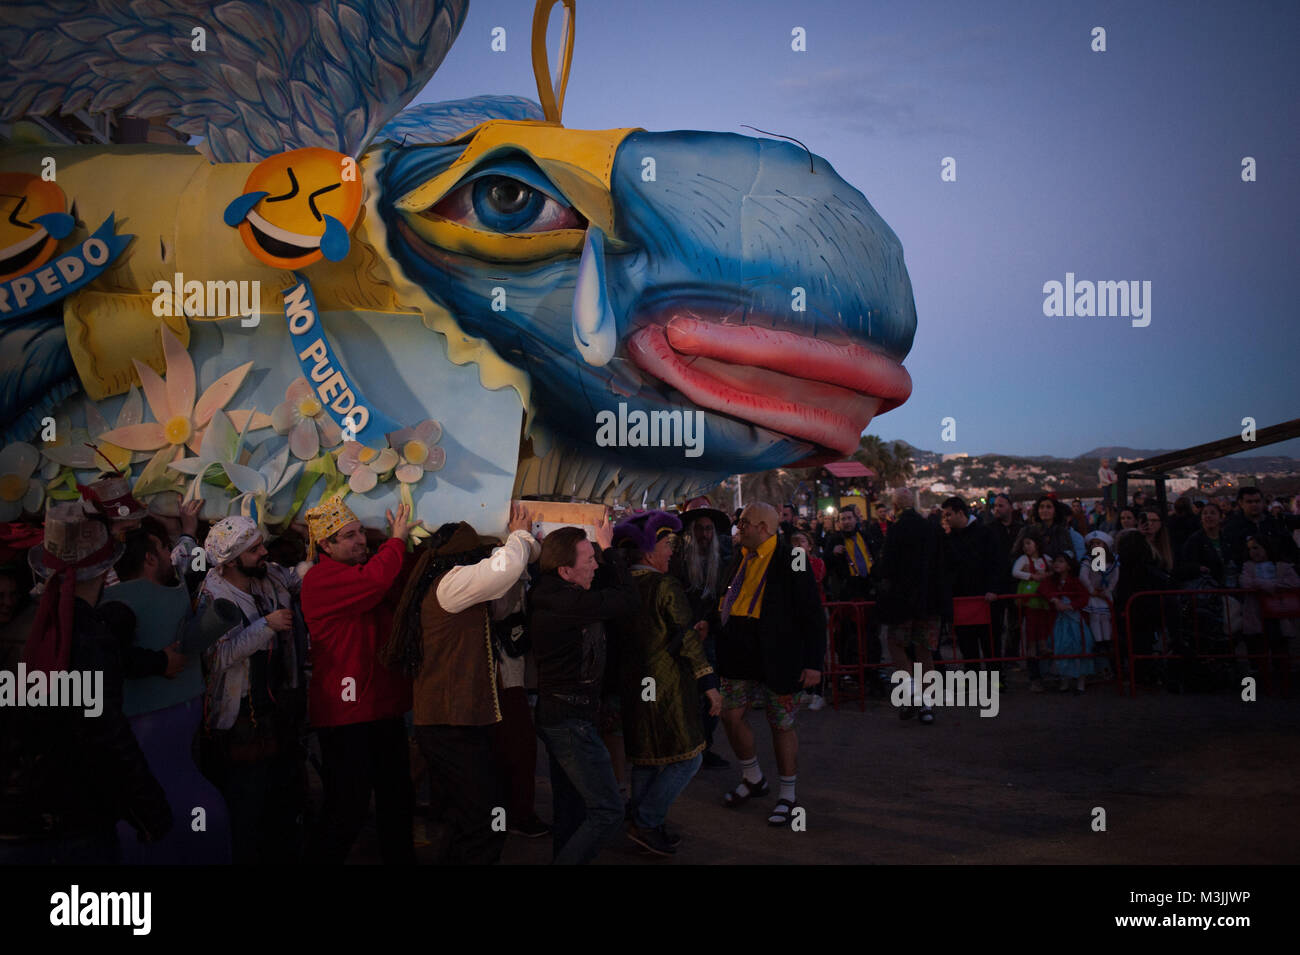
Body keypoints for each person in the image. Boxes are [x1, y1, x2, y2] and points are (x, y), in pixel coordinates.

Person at [0, 503, 171, 863]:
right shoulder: (89, 636)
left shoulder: (13, 629)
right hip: (72, 825)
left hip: (12, 822)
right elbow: (106, 734)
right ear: (106, 568)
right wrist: (150, 812)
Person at [383, 504, 542, 864]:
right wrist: (518, 533)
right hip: (449, 725)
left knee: (468, 818)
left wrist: (525, 542)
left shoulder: (447, 586)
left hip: (456, 723)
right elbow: (507, 567)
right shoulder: (450, 584)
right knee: (485, 820)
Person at [104, 517, 234, 864]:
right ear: (149, 558)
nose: (169, 555)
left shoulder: (108, 601)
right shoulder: (133, 603)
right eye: (163, 548)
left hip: (161, 750)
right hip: (159, 748)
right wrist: (160, 663)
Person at [301, 498, 421, 865]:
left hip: (380, 706)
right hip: (346, 714)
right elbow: (374, 582)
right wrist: (397, 539)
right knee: (347, 806)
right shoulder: (321, 580)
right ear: (325, 546)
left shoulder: (359, 571)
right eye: (348, 536)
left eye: (360, 534)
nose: (359, 542)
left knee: (397, 799)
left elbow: (392, 582)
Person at [528, 523, 641, 864]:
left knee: (571, 806)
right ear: (564, 570)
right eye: (589, 559)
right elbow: (629, 600)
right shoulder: (566, 603)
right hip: (569, 721)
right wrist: (610, 551)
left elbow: (605, 591)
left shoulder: (555, 591)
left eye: (595, 558)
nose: (595, 565)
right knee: (608, 810)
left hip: (563, 714)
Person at [197, 515, 305, 864]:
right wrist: (265, 627)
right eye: (254, 549)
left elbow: (295, 577)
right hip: (240, 714)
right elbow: (217, 657)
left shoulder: (264, 575)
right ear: (230, 562)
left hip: (275, 708)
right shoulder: (214, 598)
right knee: (246, 806)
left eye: (261, 545)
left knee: (280, 802)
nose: (264, 552)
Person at [612, 511, 720, 856]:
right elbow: (686, 639)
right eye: (665, 544)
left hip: (633, 685)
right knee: (688, 759)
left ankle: (642, 825)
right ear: (647, 552)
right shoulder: (663, 585)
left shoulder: (622, 583)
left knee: (648, 757)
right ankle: (647, 819)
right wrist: (710, 684)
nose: (671, 552)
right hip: (667, 686)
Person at [715, 503, 825, 825]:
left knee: (782, 723)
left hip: (779, 653)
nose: (739, 527)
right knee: (730, 715)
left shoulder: (793, 558)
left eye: (745, 522)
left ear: (764, 527)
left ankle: (788, 795)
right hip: (738, 648)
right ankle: (753, 778)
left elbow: (812, 615)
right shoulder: (740, 555)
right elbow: (731, 595)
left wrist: (813, 662)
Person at [671, 504, 734, 764]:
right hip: (682, 637)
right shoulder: (678, 561)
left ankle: (704, 748)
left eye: (709, 529)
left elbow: (723, 599)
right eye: (699, 529)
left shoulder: (723, 561)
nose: (705, 535)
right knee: (684, 694)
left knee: (711, 691)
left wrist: (709, 623)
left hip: (710, 637)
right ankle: (685, 747)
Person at [876, 487, 940, 720]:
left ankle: (911, 693)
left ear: (895, 507)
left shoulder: (896, 530)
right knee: (925, 652)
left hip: (902, 602)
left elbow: (887, 566)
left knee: (895, 645)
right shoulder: (930, 527)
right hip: (928, 601)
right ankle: (928, 706)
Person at [937, 496, 997, 680]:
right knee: (966, 642)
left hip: (984, 597)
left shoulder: (985, 533)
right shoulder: (949, 538)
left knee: (989, 642)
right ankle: (973, 678)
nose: (946, 518)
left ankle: (996, 678)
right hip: (961, 598)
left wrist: (993, 588)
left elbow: (995, 563)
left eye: (948, 514)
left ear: (960, 513)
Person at [1239, 537, 1299, 682]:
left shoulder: (1283, 567)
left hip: (1279, 614)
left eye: (1256, 547)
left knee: (1280, 646)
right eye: (1250, 549)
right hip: (1257, 614)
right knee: (1260, 647)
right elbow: (1245, 583)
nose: (1253, 552)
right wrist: (1274, 586)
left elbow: (1294, 582)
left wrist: (1261, 585)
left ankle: (1282, 678)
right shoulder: (1248, 566)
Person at [986, 493, 1024, 686]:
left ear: (1010, 506)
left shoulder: (1021, 528)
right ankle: (997, 664)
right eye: (995, 506)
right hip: (998, 585)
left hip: (1017, 583)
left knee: (1016, 624)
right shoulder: (989, 530)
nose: (997, 509)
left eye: (1001, 505)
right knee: (996, 626)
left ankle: (1011, 657)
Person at [1041, 553, 1093, 693]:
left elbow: (1084, 597)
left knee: (1079, 646)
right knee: (1061, 647)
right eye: (1055, 561)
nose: (1057, 564)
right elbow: (1043, 588)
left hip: (1075, 620)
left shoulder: (1075, 581)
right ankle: (1064, 680)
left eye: (1061, 561)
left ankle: (1080, 681)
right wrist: (1055, 600)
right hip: (1060, 621)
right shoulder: (1051, 581)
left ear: (1069, 566)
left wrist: (1070, 605)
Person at [790, 530, 828, 710]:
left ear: (810, 546)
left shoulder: (817, 563)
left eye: (802, 543)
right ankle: (804, 690)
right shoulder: (791, 564)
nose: (798, 546)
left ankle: (819, 693)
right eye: (794, 543)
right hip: (798, 614)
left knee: (817, 653)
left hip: (816, 612)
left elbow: (814, 579)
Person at [1012, 531, 1052, 691]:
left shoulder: (1046, 558)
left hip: (1043, 601)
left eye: (1029, 543)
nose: (1026, 547)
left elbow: (1054, 569)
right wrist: (1031, 576)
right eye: (1024, 544)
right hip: (1029, 602)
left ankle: (1042, 651)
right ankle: (1034, 663)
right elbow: (1015, 572)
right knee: (1030, 630)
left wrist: (1047, 575)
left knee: (1042, 627)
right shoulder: (1022, 559)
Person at [1223, 486, 1298, 568]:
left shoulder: (1274, 522)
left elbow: (1290, 547)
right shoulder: (1232, 527)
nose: (1254, 504)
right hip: (1247, 575)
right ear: (1241, 503)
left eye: (1257, 501)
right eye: (1249, 502)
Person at [1079, 531, 1118, 678]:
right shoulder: (1088, 560)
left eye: (1099, 543)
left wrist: (1108, 590)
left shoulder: (1112, 562)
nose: (1096, 546)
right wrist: (1091, 589)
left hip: (1105, 595)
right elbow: (1083, 576)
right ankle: (1099, 641)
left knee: (1105, 618)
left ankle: (1106, 640)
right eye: (1093, 543)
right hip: (1094, 595)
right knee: (1095, 617)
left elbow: (1115, 576)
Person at [1178, 500, 1228, 586]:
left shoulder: (1227, 539)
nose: (1208, 516)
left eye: (1213, 513)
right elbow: (1185, 564)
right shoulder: (1194, 540)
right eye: (1205, 513)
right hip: (1206, 586)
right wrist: (1198, 568)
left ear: (1221, 518)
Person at [1140, 509, 1175, 575]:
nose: (1149, 524)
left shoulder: (1168, 543)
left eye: (1153, 520)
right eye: (1147, 521)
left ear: (1161, 523)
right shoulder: (1139, 543)